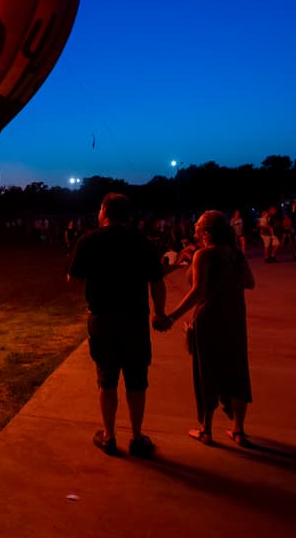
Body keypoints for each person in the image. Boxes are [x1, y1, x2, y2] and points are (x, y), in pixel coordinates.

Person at [66, 193, 167, 458]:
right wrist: (159, 313)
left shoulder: (89, 240)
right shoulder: (141, 242)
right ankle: (136, 437)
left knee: (106, 379)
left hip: (103, 320)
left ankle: (109, 436)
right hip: (135, 320)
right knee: (137, 380)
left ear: (105, 212)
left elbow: (74, 278)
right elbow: (156, 281)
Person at [160, 210, 256, 446]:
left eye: (198, 228)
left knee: (207, 373)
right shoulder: (236, 254)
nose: (195, 232)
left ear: (207, 232)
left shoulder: (204, 255)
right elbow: (250, 283)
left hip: (209, 318)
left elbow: (198, 292)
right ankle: (238, 430)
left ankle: (207, 430)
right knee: (237, 371)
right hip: (234, 318)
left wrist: (172, 317)